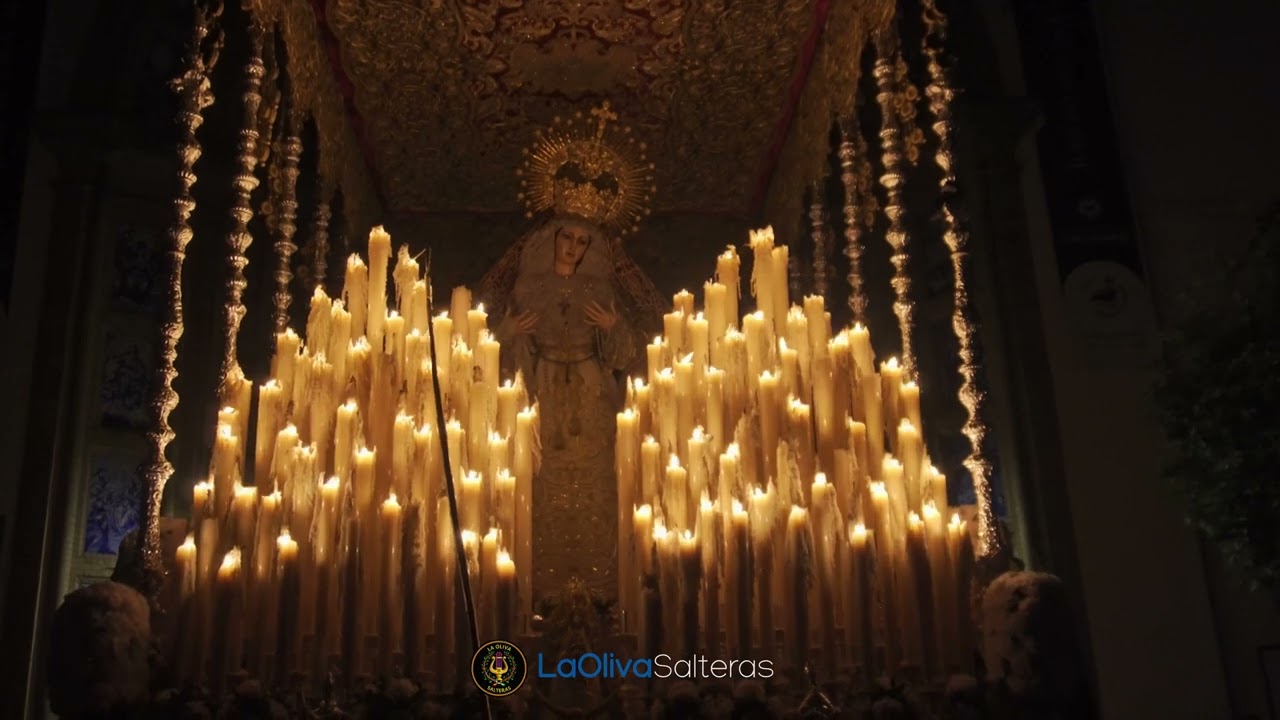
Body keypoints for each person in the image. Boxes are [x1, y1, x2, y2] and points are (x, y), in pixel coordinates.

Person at [478, 102, 663, 603]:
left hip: (592, 395)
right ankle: (541, 590)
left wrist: (611, 327)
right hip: (541, 397)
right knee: (540, 484)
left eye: (583, 242)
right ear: (553, 237)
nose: (574, 247)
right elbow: (496, 346)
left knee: (596, 485)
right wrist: (507, 329)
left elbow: (631, 352)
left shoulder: (600, 289)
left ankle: (601, 591)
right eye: (568, 237)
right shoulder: (530, 284)